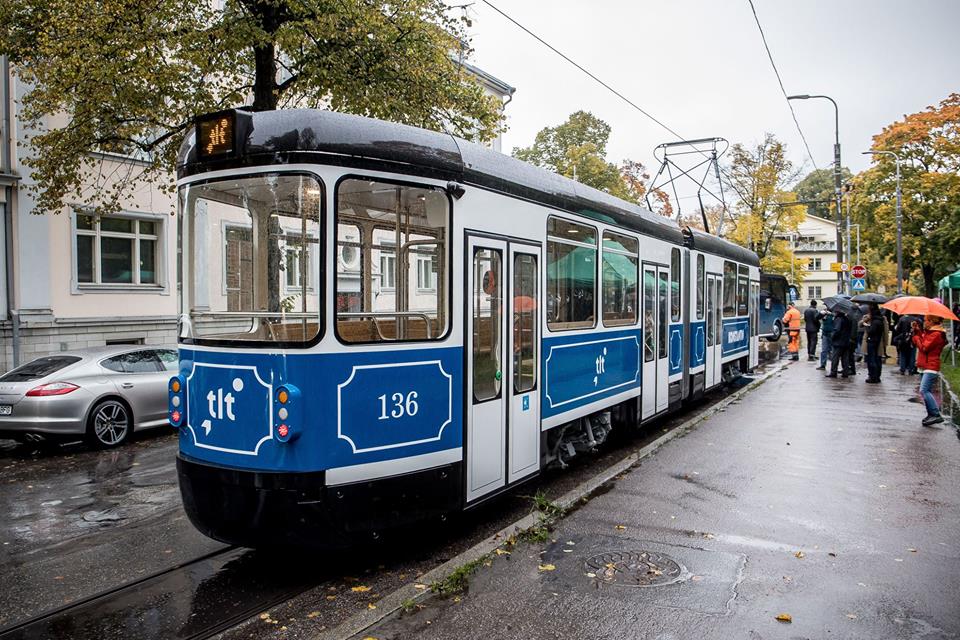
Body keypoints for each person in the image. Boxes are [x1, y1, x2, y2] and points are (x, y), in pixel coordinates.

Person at [913, 315, 948, 426]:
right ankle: (931, 414)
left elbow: (924, 347)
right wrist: (917, 331)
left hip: (931, 365)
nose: (924, 322)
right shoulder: (931, 332)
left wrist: (916, 338)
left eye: (925, 320)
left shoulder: (936, 334)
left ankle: (935, 414)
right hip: (926, 364)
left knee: (924, 390)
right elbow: (924, 341)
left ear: (931, 321)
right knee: (924, 390)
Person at [862, 306, 886, 383]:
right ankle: (877, 376)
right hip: (878, 341)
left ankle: (873, 376)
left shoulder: (875, 321)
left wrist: (867, 326)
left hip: (872, 341)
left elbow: (871, 331)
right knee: (876, 359)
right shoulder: (880, 320)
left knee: (872, 359)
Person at [827, 308, 853, 378]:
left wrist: (832, 336)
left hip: (838, 341)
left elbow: (837, 330)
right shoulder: (847, 319)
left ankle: (833, 372)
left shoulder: (838, 319)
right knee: (845, 358)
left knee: (835, 357)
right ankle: (845, 372)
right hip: (846, 341)